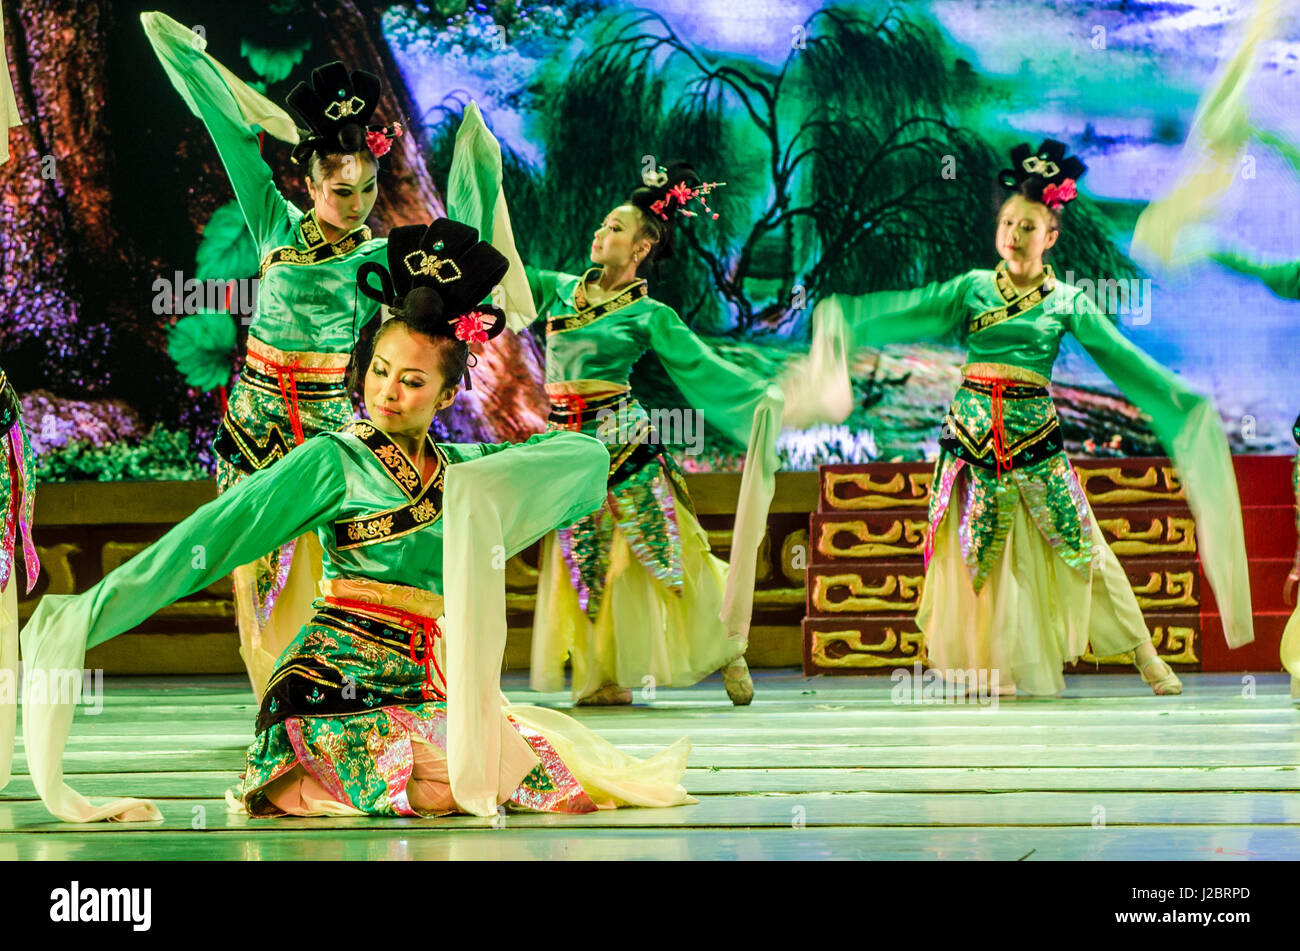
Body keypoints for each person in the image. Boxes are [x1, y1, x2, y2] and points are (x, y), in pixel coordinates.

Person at [4, 220, 692, 822]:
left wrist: (484, 478)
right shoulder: (336, 461)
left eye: (413, 381)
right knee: (439, 783)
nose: (389, 391)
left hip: (425, 684)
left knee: (533, 778)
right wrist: (89, 613)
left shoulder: (465, 472)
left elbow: (584, 457)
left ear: (450, 392)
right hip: (331, 685)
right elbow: (216, 533)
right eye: (380, 371)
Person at [789, 140, 1253, 696]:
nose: (1013, 234)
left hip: (1035, 443)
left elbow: (1124, 362)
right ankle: (996, 667)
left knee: (1084, 546)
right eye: (1007, 223)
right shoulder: (971, 288)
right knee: (975, 555)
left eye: (1028, 226)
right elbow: (910, 307)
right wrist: (849, 316)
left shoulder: (1068, 300)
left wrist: (1181, 397)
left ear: (1051, 236)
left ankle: (1144, 654)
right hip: (970, 441)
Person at [144, 12, 403, 696]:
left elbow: (458, 275)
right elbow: (229, 133)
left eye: (368, 190)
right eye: (342, 191)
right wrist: (193, 59)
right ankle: (272, 697)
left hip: (322, 430)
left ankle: (319, 695)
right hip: (256, 423)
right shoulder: (272, 224)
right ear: (313, 186)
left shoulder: (380, 259)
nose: (357, 204)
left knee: (325, 573)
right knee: (255, 571)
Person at [517, 161, 784, 706]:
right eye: (602, 225)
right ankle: (601, 675)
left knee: (670, 554)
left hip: (625, 442)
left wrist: (762, 398)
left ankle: (728, 644)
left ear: (641, 248)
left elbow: (704, 368)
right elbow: (504, 280)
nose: (599, 233)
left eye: (615, 228)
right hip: (565, 447)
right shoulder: (555, 289)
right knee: (584, 559)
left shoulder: (649, 313)